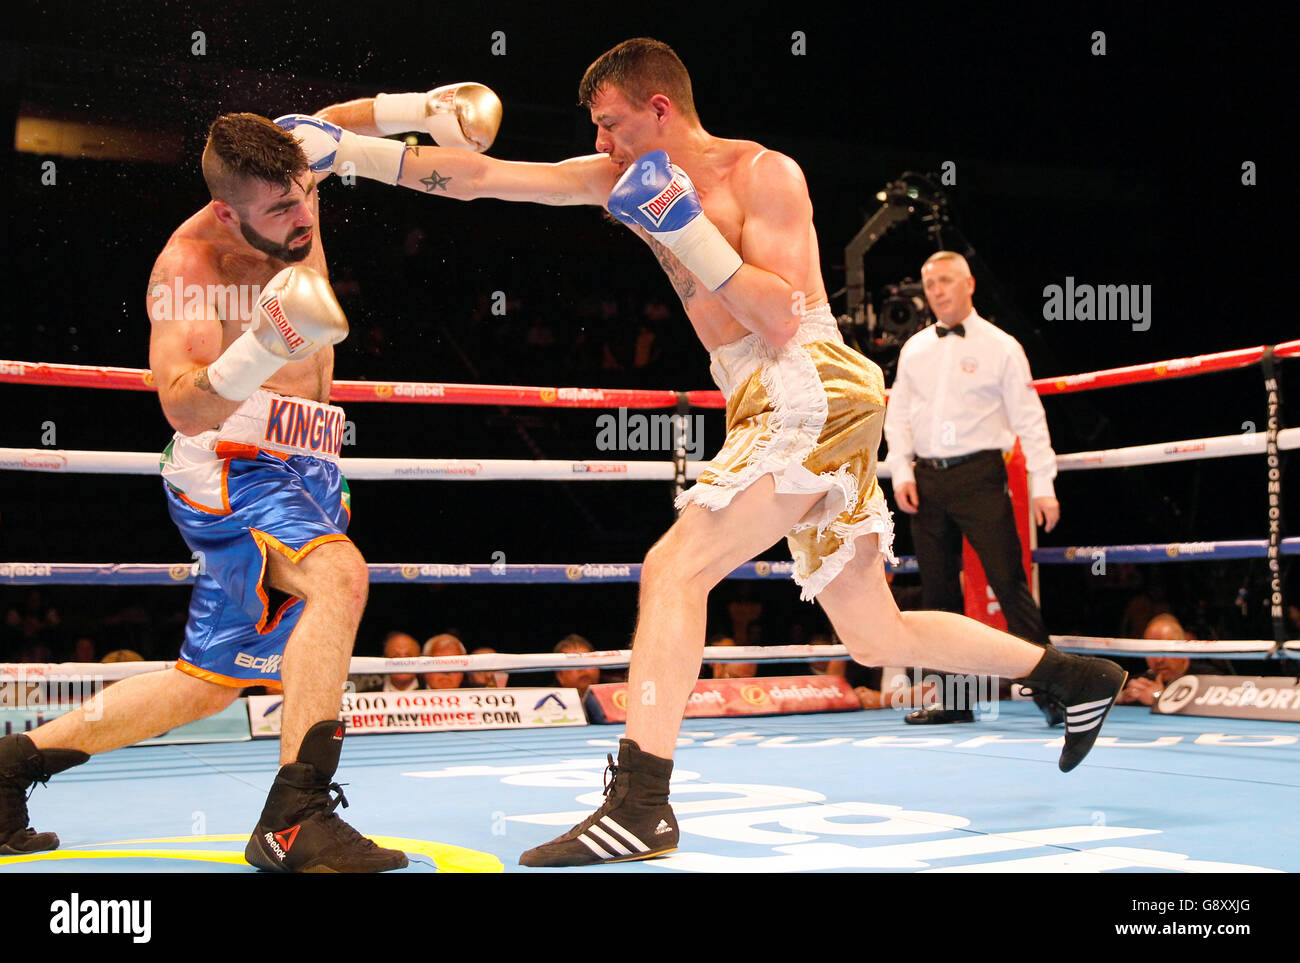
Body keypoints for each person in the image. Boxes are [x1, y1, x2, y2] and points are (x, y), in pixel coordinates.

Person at [287, 37, 1127, 867]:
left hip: (809, 381)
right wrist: (351, 152)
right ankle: (1066, 674)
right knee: (874, 632)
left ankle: (640, 802)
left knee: (673, 568)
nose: (601, 144)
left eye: (612, 123)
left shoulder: (762, 175)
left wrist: (683, 227)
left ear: (660, 108)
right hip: (760, 398)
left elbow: (780, 319)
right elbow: (479, 179)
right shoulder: (617, 177)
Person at [0, 99, 499, 869]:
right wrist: (262, 347)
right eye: (280, 207)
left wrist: (422, 109)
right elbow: (181, 402)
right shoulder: (189, 267)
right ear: (229, 214)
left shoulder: (293, 168)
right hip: (231, 464)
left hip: (308, 464)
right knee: (339, 575)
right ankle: (294, 819)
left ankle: (12, 765)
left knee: (206, 684)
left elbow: (333, 119)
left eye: (307, 193)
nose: (305, 213)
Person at [883, 250, 1064, 728]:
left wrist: (1043, 484)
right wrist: (900, 471)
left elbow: (1030, 419)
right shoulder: (915, 348)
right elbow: (897, 414)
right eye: (930, 282)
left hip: (982, 475)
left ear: (969, 285)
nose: (937, 290)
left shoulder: (1002, 346)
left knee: (1009, 583)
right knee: (938, 592)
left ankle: (1057, 694)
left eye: (945, 280)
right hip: (926, 480)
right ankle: (954, 698)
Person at [553, 634, 602, 700]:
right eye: (574, 664)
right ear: (560, 676)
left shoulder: (613, 694)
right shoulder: (548, 702)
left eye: (587, 662)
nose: (583, 669)